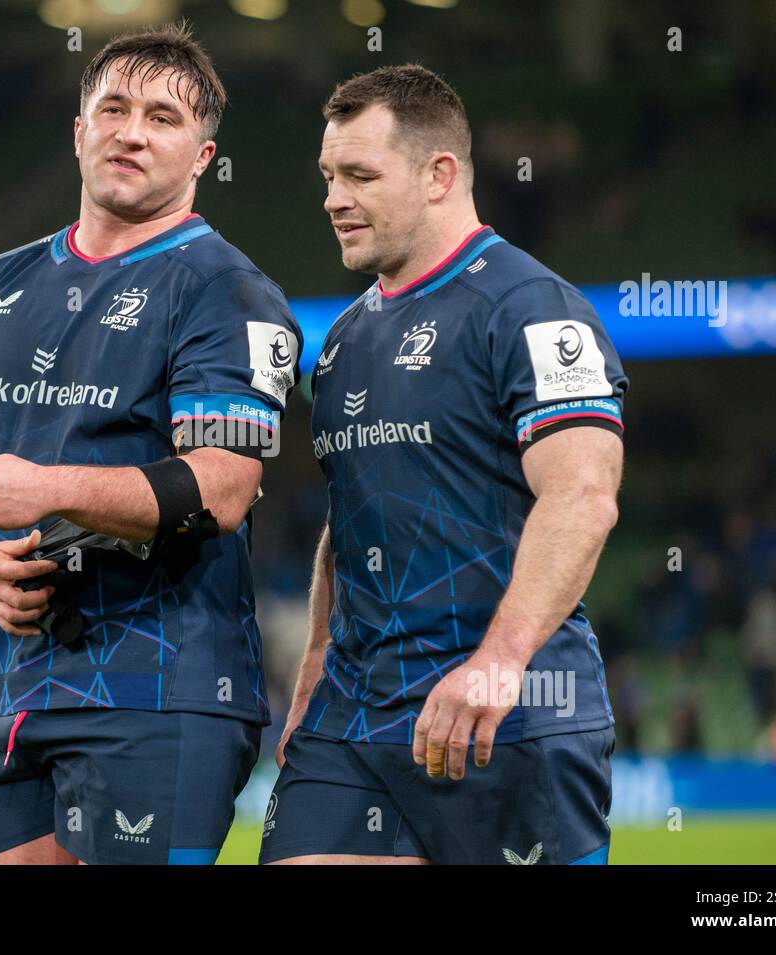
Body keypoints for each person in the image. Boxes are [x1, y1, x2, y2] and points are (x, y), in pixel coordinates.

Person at [0, 23, 302, 865]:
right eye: (112, 109)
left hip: (164, 692)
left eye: (162, 116)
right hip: (9, 688)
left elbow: (221, 488)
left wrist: (44, 488)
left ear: (203, 156)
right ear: (79, 133)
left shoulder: (228, 291)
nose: (131, 130)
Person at [261, 65, 627, 865]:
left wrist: (497, 666)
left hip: (510, 711)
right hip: (354, 719)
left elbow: (583, 495)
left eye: (359, 174)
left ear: (440, 175)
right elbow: (352, 510)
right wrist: (317, 659)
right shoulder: (345, 340)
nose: (333, 198)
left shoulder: (534, 310)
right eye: (327, 176)